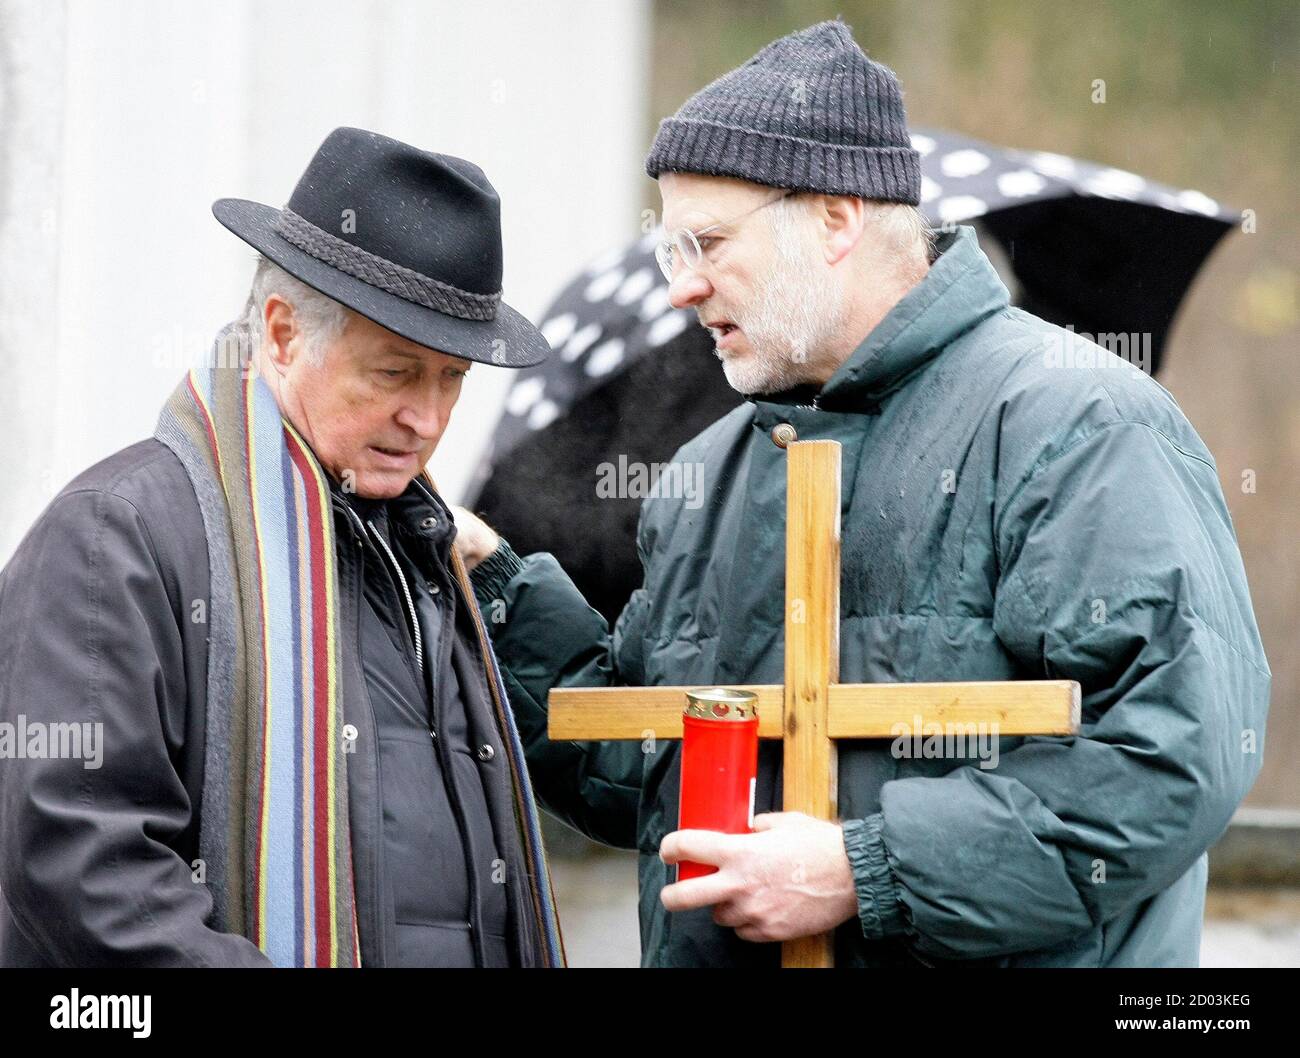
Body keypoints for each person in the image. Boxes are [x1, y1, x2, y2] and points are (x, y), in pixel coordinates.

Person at [452, 21, 1271, 967]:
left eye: (707, 243)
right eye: (671, 252)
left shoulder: (1078, 424)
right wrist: (501, 596)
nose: (683, 288)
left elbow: (1174, 752)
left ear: (837, 219)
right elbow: (648, 772)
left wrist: (863, 870)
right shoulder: (711, 472)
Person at [0, 127, 563, 967]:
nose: (431, 419)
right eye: (396, 372)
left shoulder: (427, 548)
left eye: (453, 378)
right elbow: (82, 867)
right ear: (281, 332)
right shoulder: (115, 536)